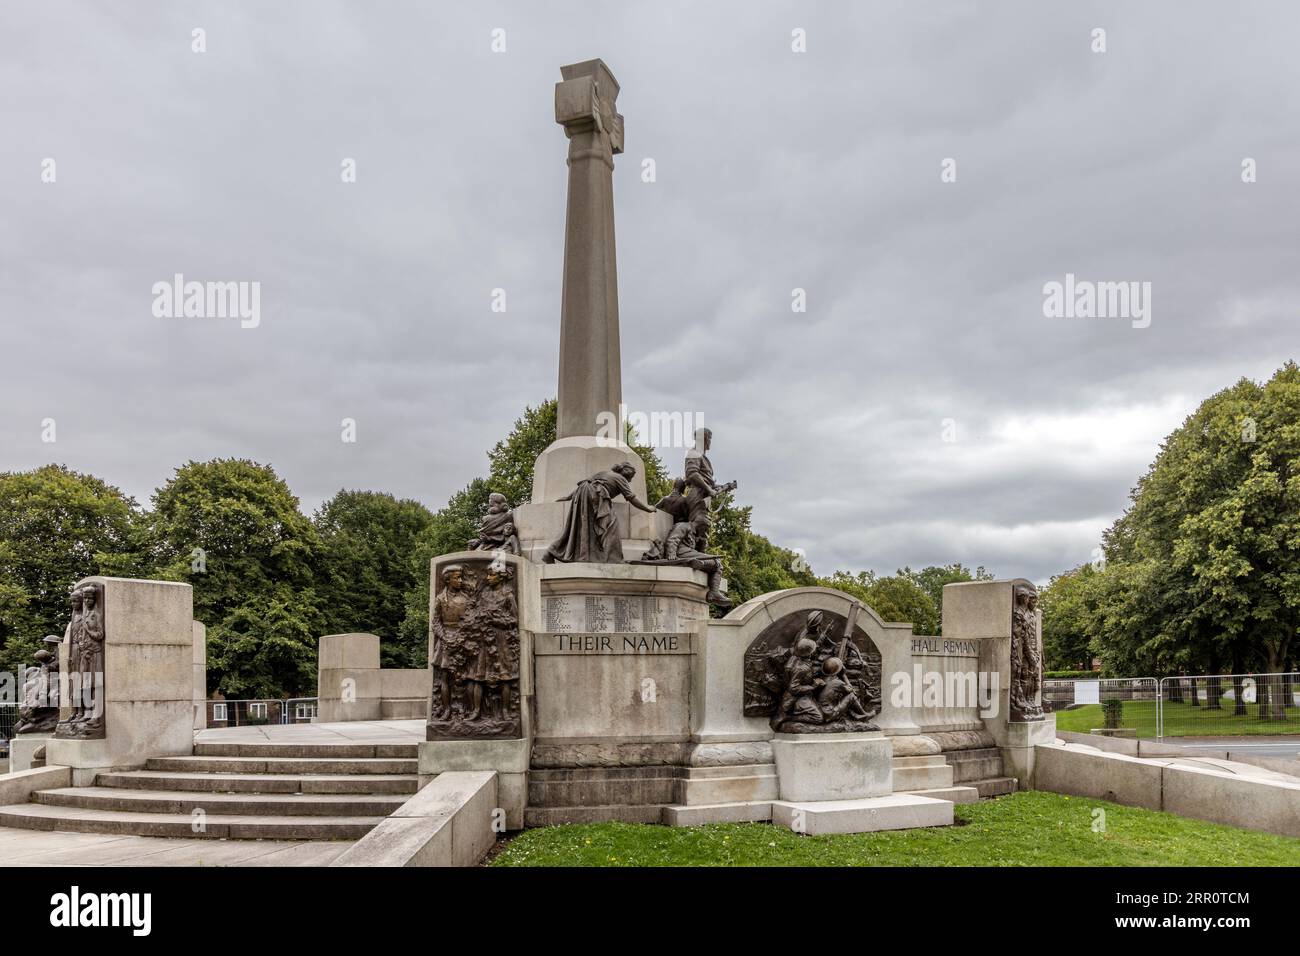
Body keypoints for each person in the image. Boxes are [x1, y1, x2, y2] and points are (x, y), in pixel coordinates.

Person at [545, 461, 656, 563]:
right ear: (626, 472)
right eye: (632, 475)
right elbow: (631, 498)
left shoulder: (604, 473)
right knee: (610, 527)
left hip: (582, 492)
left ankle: (552, 551)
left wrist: (568, 497)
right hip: (596, 495)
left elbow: (586, 483)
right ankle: (610, 558)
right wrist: (647, 508)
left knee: (577, 529)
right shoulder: (620, 478)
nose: (632, 477)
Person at [430, 565, 473, 720]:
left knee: (463, 677)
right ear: (448, 580)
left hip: (462, 639)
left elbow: (471, 621)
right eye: (457, 577)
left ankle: (463, 708)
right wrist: (444, 636)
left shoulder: (466, 599)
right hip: (445, 640)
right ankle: (446, 709)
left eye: (461, 577)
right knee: (445, 677)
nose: (460, 580)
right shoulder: (441, 599)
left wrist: (462, 636)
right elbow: (435, 622)